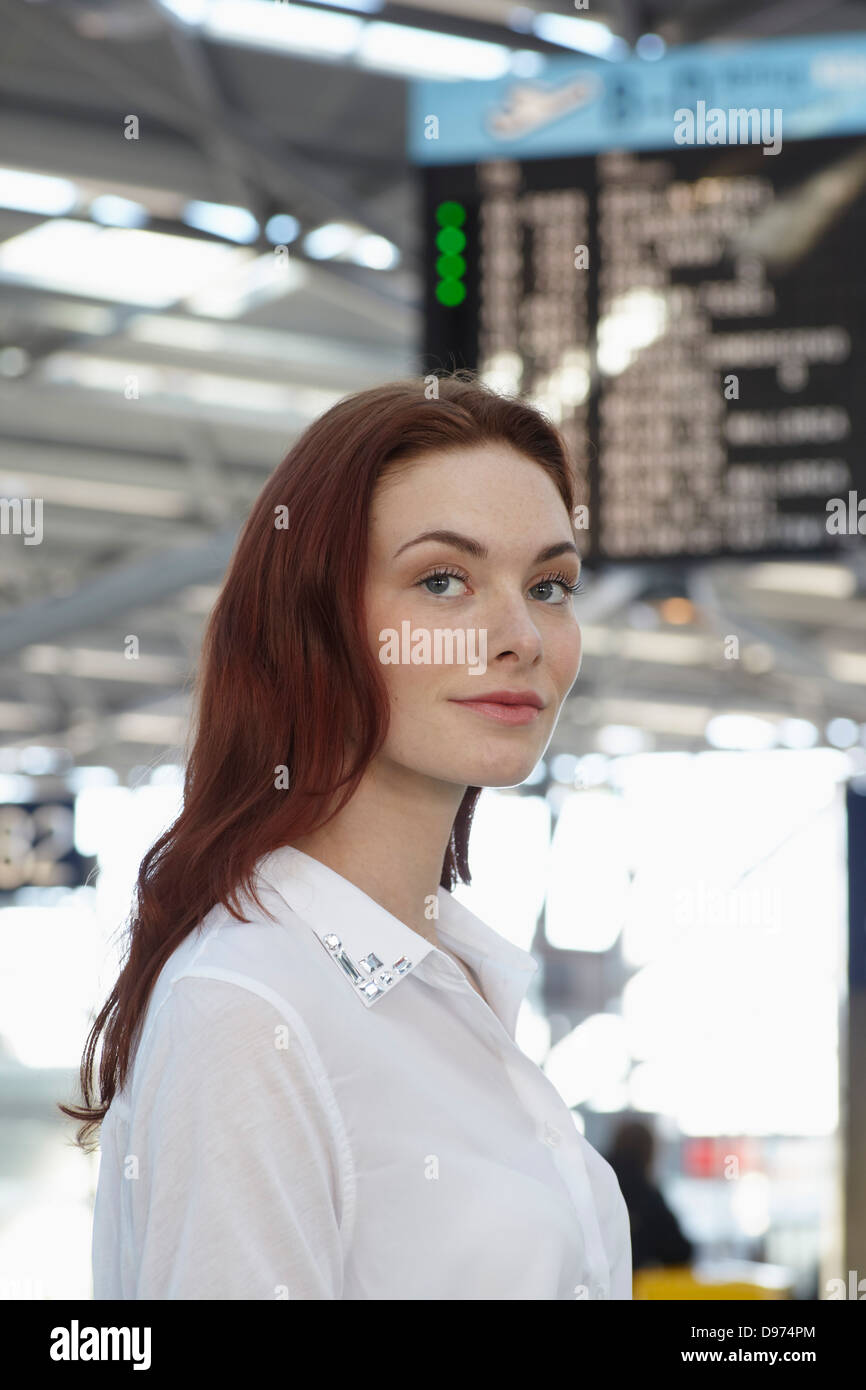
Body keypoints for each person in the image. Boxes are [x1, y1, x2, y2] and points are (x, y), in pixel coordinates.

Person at [60, 370, 632, 1300]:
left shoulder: (448, 986)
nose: (520, 633)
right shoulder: (251, 1014)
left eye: (550, 583)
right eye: (443, 581)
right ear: (315, 622)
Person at [606, 1119, 694, 1271]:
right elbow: (679, 1251)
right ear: (648, 1152)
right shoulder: (646, 1194)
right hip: (634, 1287)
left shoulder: (596, 1181)